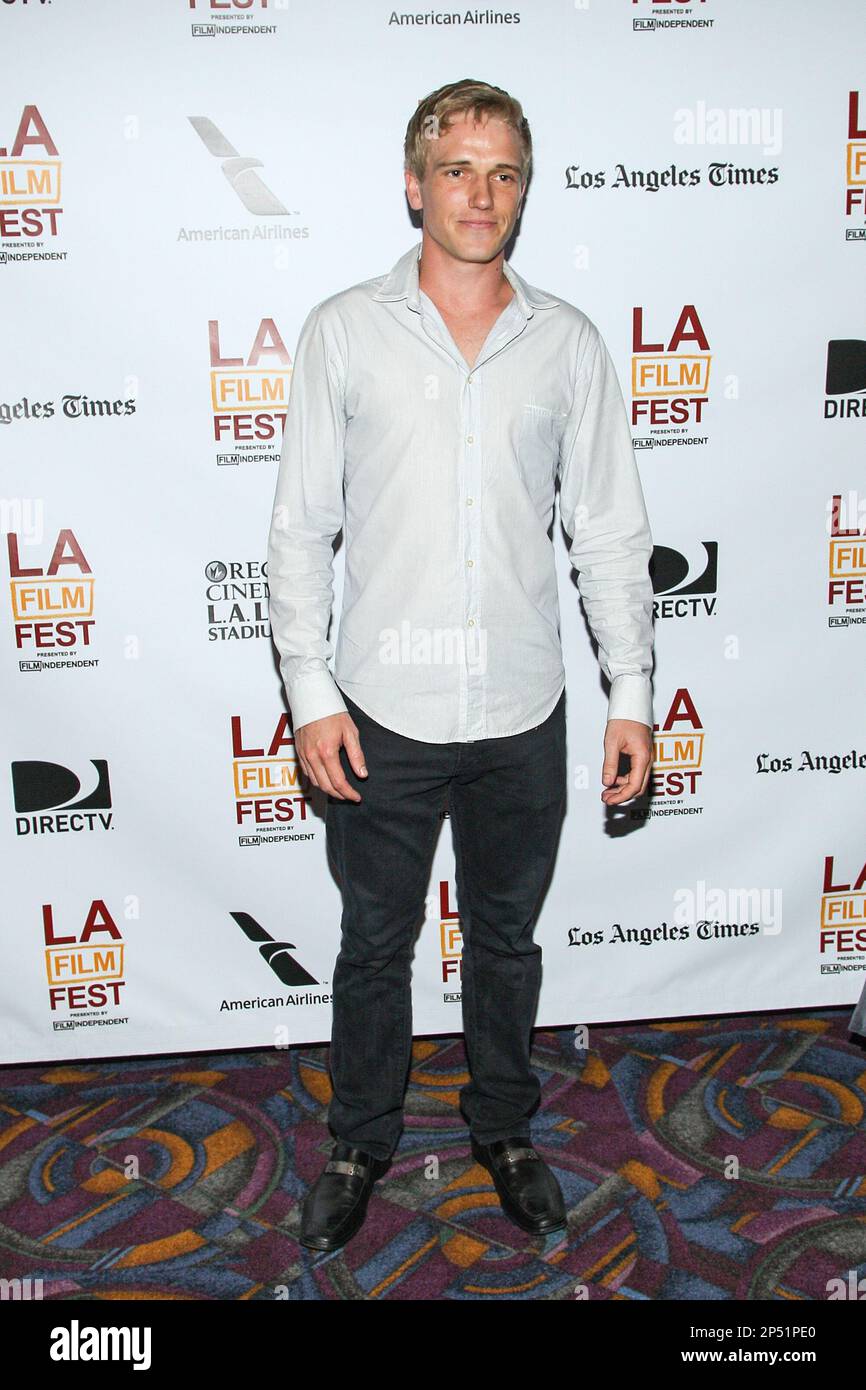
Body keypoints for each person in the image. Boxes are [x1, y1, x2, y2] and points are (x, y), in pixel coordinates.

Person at [267, 77, 655, 1252]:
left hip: (523, 709)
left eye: (503, 173)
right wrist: (309, 690)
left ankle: (504, 1130)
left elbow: (605, 529)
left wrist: (630, 690)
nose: (479, 194)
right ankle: (359, 1142)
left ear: (523, 193)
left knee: (505, 942)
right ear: (412, 183)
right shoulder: (342, 330)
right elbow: (298, 530)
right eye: (456, 168)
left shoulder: (569, 344)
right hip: (379, 709)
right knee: (373, 947)